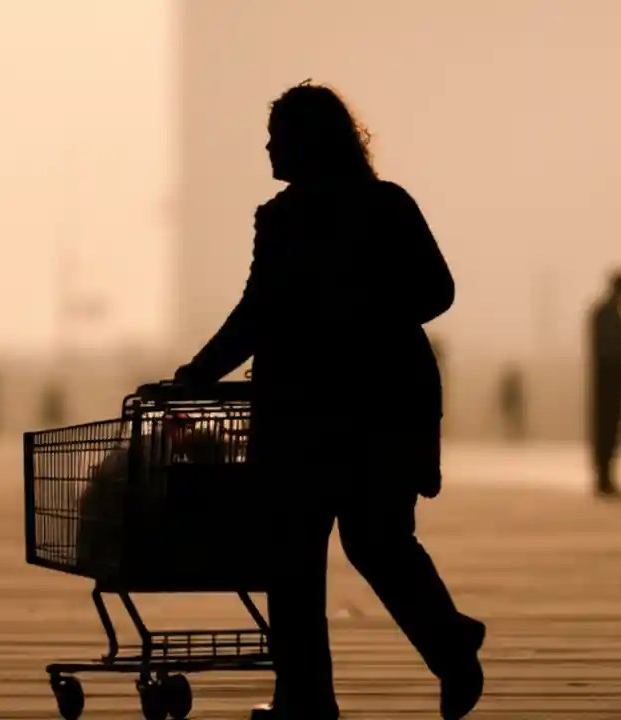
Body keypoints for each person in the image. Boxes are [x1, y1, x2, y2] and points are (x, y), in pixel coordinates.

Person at [169, 82, 484, 720]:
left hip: (336, 408)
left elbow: (431, 289)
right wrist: (200, 370)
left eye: (277, 136)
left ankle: (431, 651)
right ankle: (335, 686)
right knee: (342, 546)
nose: (267, 148)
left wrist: (346, 315)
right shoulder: (303, 213)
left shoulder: (360, 209)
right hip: (358, 405)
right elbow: (261, 311)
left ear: (307, 142)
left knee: (339, 547)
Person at [588, 270, 621, 496]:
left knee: (613, 429)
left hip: (614, 381)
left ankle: (607, 475)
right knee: (606, 429)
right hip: (608, 381)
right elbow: (607, 350)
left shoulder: (611, 314)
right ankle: (603, 477)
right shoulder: (605, 314)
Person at [499, 364, 526, 443]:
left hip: (511, 405)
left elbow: (507, 398)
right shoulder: (511, 387)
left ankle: (513, 436)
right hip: (511, 405)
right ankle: (513, 436)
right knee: (512, 420)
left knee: (513, 420)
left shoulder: (512, 387)